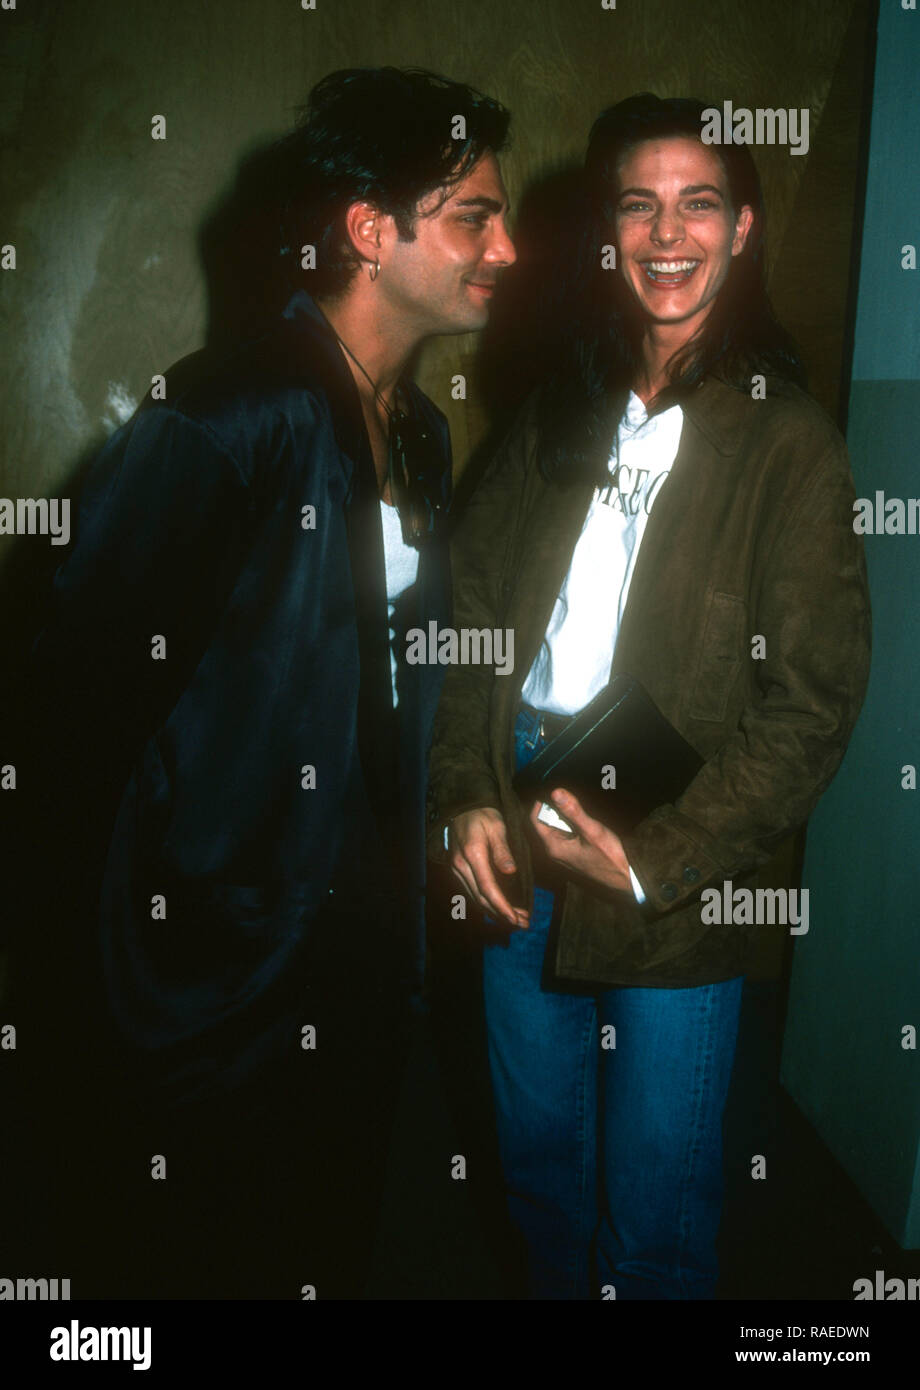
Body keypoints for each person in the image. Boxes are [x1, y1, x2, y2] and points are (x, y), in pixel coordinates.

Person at [11, 66, 515, 1299]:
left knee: (323, 1230)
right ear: (367, 229)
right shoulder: (228, 414)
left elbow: (385, 675)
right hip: (213, 964)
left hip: (355, 943)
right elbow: (69, 702)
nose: (507, 247)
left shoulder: (418, 430)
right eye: (470, 215)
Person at [427, 93, 871, 1300]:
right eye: (638, 204)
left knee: (655, 1218)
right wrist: (465, 789)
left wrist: (654, 857)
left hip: (675, 850)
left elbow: (811, 704)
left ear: (741, 231)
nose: (666, 232)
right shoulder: (553, 413)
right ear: (606, 235)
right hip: (520, 802)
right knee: (537, 1173)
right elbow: (469, 614)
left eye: (698, 202)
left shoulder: (789, 444)